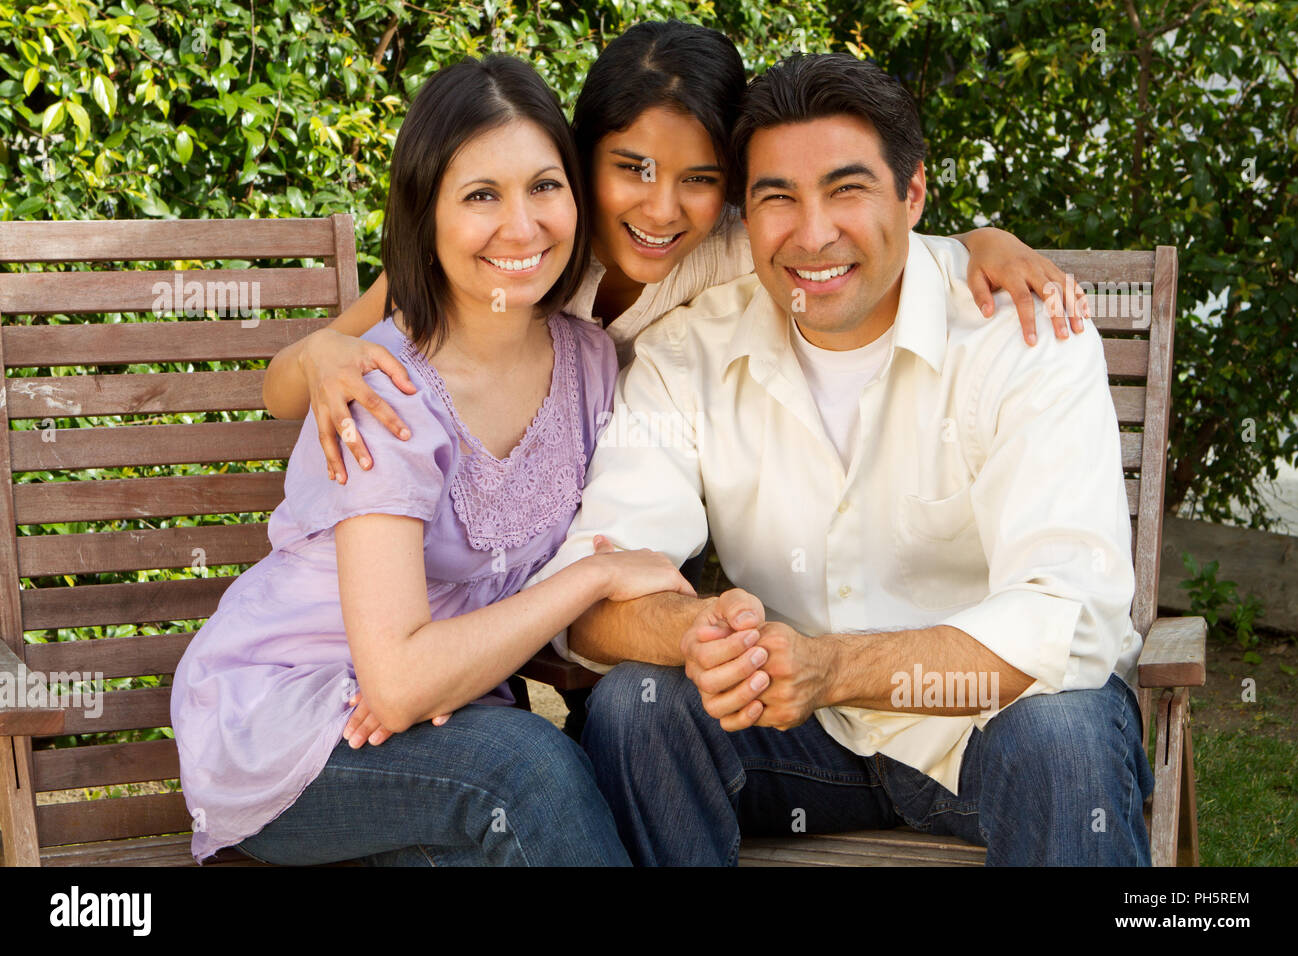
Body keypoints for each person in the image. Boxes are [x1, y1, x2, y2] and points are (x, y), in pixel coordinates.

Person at [531, 53, 1153, 866]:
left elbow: (1071, 619)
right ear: (742, 218)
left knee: (1066, 727)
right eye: (777, 198)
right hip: (793, 737)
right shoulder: (690, 350)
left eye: (846, 190)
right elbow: (593, 585)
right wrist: (699, 633)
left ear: (914, 194)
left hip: (986, 733)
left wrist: (834, 667)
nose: (812, 232)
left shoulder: (1023, 335)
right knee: (638, 704)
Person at [169, 54, 692, 867]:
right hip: (294, 727)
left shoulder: (590, 361)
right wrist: (589, 579)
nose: (522, 227)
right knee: (529, 773)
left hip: (450, 720)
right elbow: (401, 682)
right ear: (427, 213)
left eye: (544, 187)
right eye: (481, 195)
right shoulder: (380, 390)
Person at [261, 20, 1089, 490]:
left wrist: (984, 242)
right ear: (579, 159)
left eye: (700, 179)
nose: (661, 210)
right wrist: (331, 352)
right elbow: (282, 387)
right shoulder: (520, 246)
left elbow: (850, 242)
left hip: (621, 503)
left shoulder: (728, 249)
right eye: (631, 170)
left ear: (729, 189)